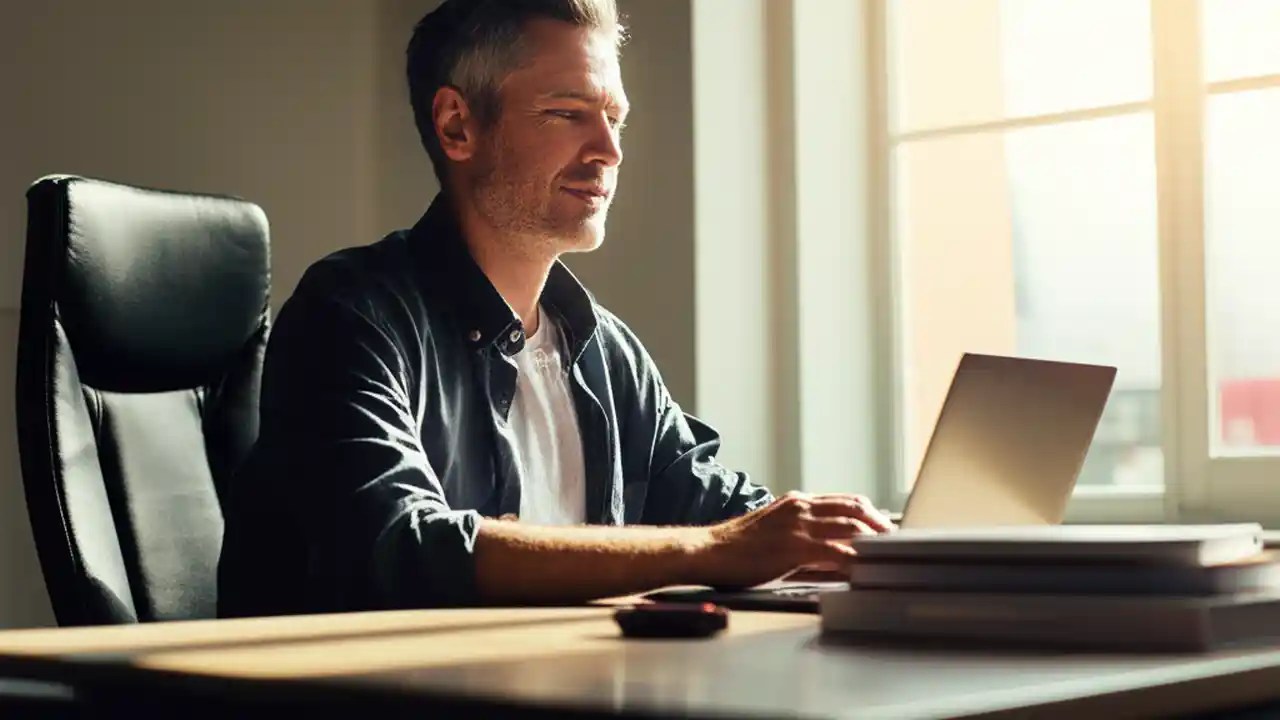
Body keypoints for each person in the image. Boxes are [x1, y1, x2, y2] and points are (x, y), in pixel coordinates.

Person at [217, 0, 893, 618]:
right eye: (568, 113)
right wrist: (715, 550)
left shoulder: (604, 349)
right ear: (457, 126)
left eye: (615, 117)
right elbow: (405, 549)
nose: (609, 150)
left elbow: (729, 514)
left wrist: (898, 548)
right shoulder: (352, 315)